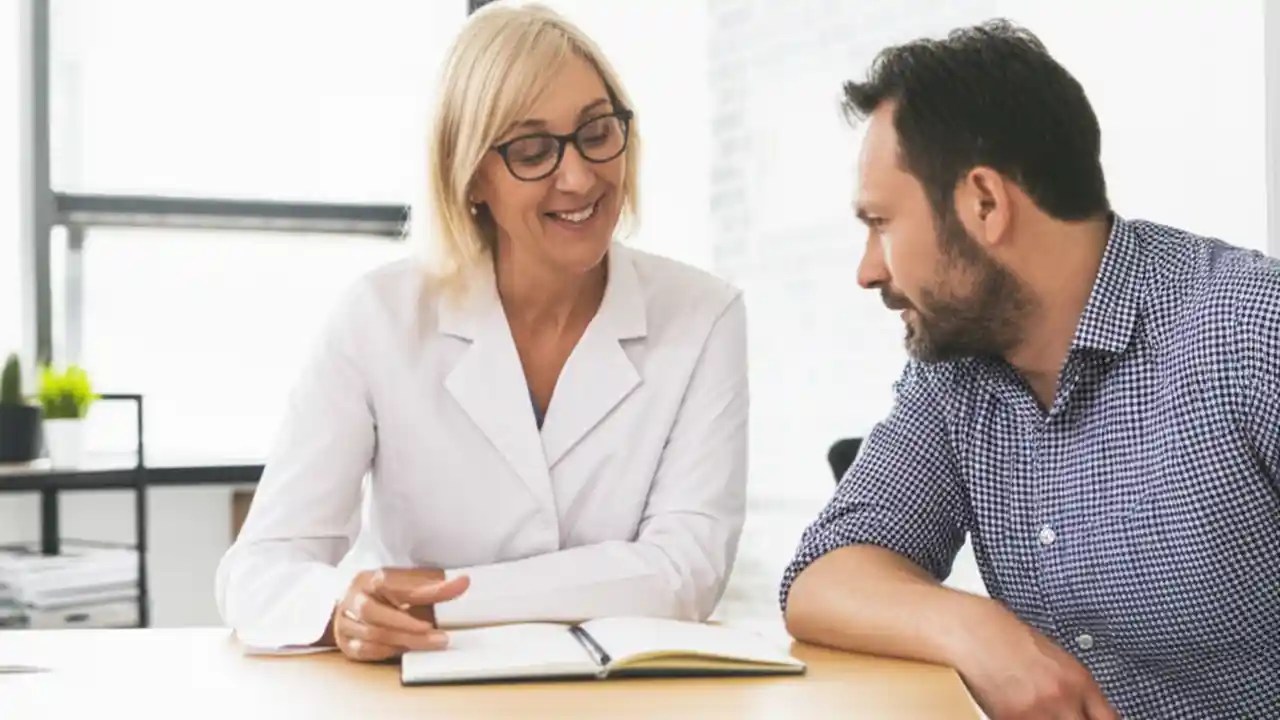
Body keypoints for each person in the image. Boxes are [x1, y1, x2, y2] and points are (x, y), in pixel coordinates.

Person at [217, 1, 748, 662]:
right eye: (532, 150)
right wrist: (341, 607)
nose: (580, 176)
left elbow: (686, 572)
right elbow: (260, 570)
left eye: (596, 131)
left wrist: (438, 596)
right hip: (418, 692)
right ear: (472, 178)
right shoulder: (379, 317)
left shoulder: (704, 314)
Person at [781, 20, 1280, 720]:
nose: (867, 272)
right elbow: (825, 575)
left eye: (881, 223)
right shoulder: (955, 372)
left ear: (984, 204)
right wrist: (979, 633)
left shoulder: (1252, 329)